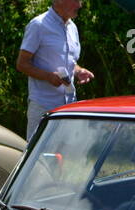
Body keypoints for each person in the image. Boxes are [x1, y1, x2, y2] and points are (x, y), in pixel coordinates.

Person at [17, 0, 94, 140]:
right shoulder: (38, 25)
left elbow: (71, 62)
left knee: (66, 158)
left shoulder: (72, 27)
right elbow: (22, 64)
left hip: (68, 105)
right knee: (39, 159)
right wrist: (48, 76)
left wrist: (79, 71)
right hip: (43, 106)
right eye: (76, 1)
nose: (80, 5)